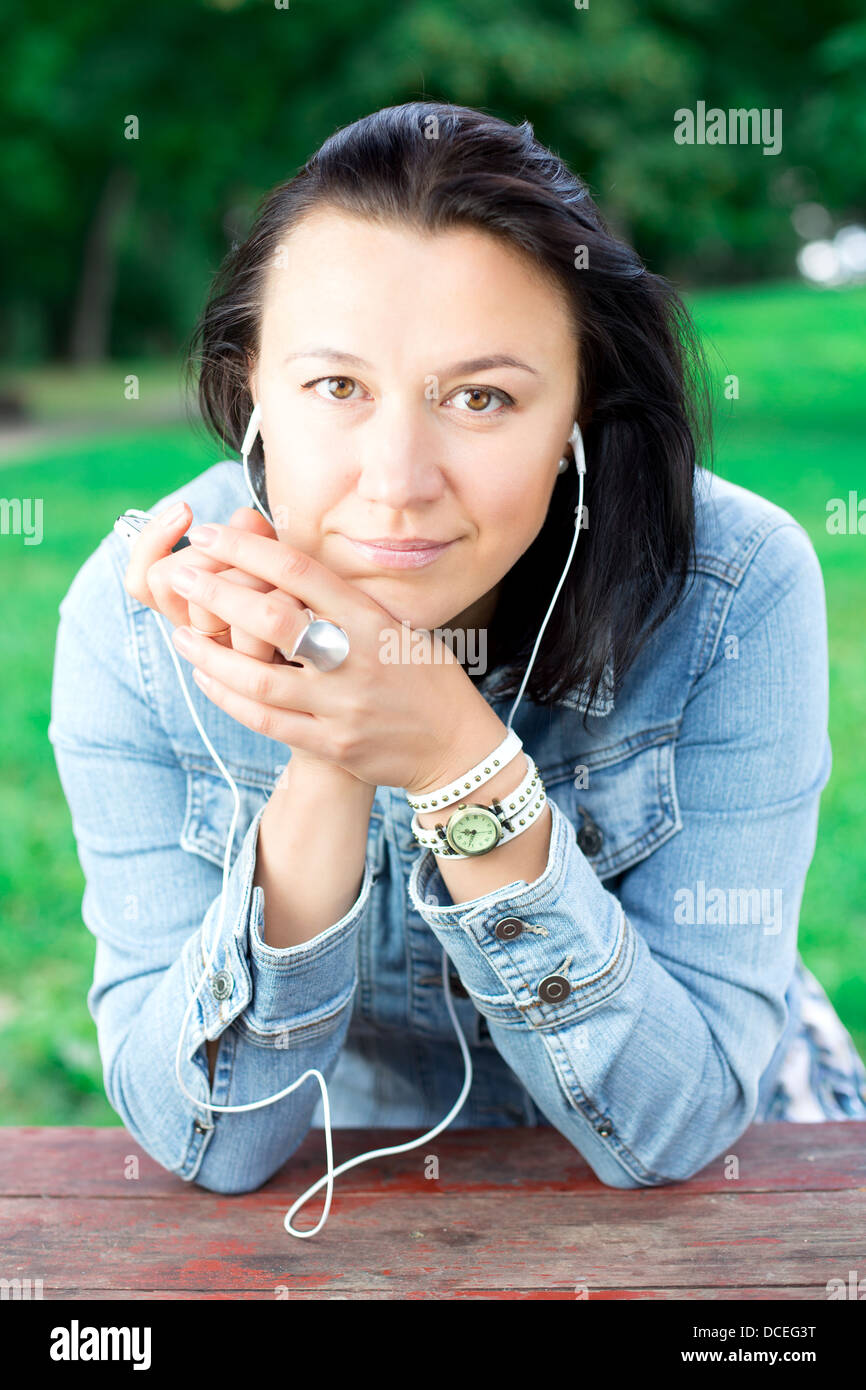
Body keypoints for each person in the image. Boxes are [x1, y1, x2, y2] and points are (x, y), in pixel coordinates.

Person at [48, 101, 866, 1197]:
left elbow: (677, 1130)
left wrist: (456, 767)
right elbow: (210, 1141)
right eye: (336, 386)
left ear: (579, 404)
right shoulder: (136, 612)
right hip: (363, 1192)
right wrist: (332, 738)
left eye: (479, 397)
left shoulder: (732, 588)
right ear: (253, 386)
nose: (397, 479)